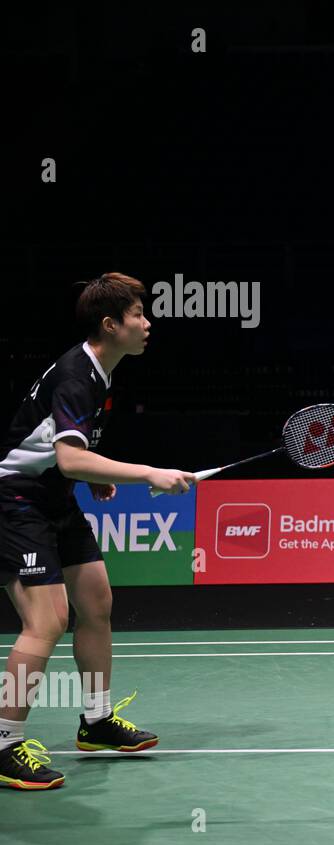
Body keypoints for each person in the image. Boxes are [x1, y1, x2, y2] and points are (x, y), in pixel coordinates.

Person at [0, 273, 195, 791]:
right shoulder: (76, 376)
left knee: (96, 601)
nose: (147, 322)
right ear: (111, 325)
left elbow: (68, 457)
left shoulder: (101, 371)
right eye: (137, 314)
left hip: (53, 497)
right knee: (47, 620)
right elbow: (67, 456)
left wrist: (96, 478)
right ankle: (2, 742)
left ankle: (96, 721)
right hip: (16, 500)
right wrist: (149, 474)